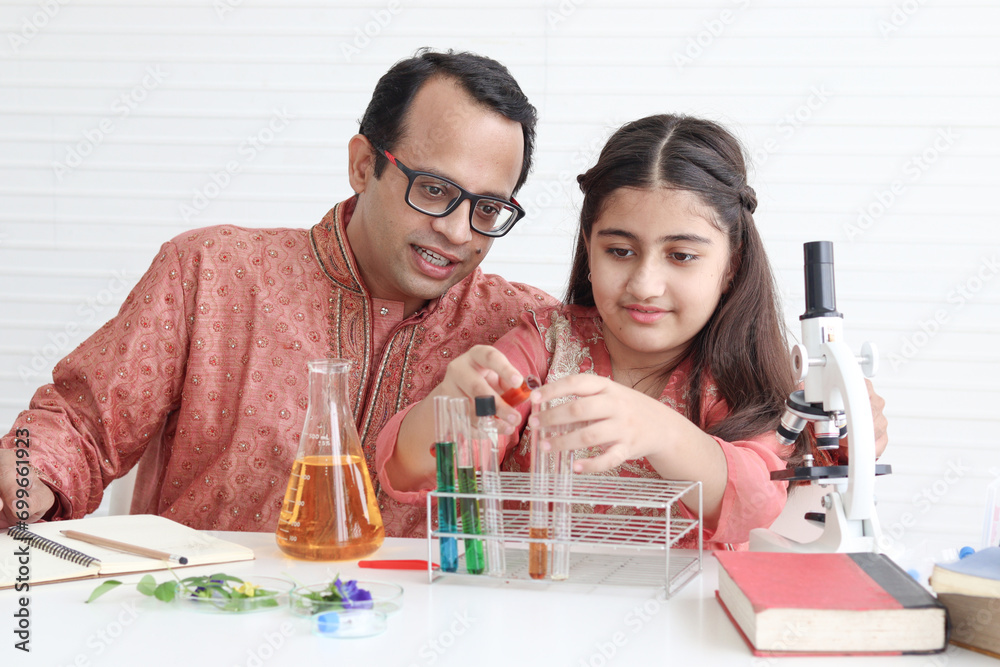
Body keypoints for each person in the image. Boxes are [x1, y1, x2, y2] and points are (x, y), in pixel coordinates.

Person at [0, 49, 558, 536]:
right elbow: (80, 425)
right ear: (364, 166)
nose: (459, 233)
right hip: (200, 621)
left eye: (487, 209)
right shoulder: (212, 273)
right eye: (434, 190)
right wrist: (30, 479)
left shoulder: (528, 330)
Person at [377, 114, 887, 549]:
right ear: (589, 247)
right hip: (530, 612)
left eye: (682, 256)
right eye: (619, 251)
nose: (645, 284)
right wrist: (448, 410)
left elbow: (755, 501)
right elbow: (408, 474)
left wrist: (658, 427)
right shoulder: (543, 346)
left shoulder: (736, 376)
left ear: (731, 264)